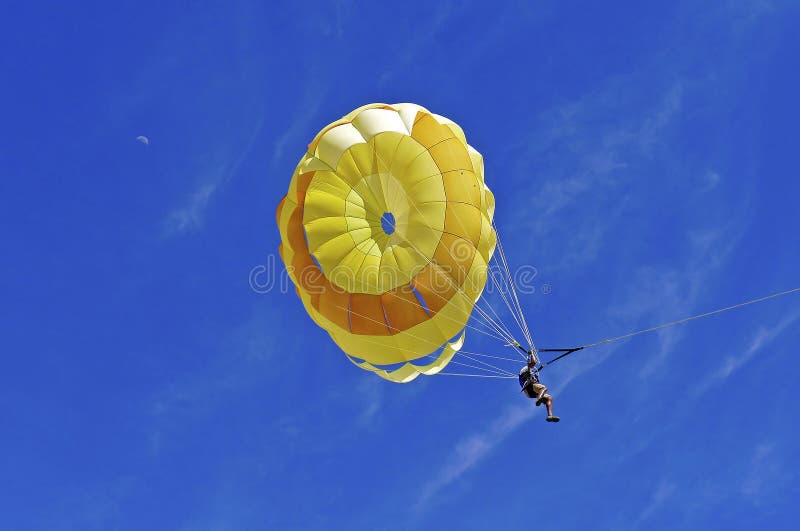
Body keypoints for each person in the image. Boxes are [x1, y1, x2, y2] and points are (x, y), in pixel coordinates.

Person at [519, 353, 560, 422]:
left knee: (549, 398)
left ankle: (550, 416)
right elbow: (533, 362)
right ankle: (539, 399)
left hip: (529, 393)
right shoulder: (525, 370)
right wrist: (532, 353)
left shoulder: (533, 374)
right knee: (543, 388)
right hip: (529, 385)